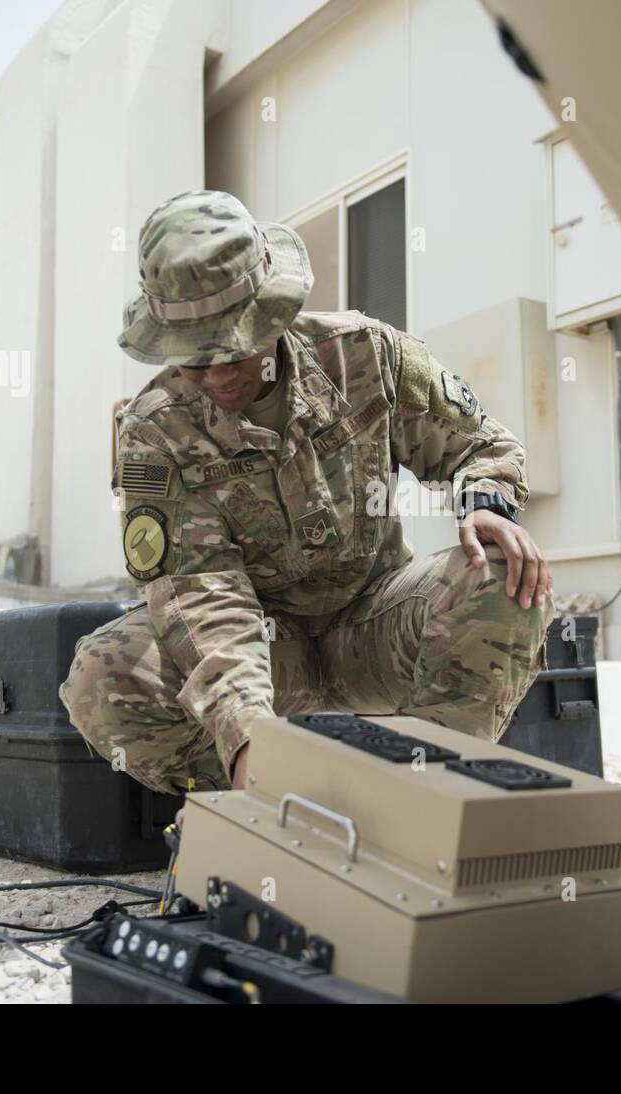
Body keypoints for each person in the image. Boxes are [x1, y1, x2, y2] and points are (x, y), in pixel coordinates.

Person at [59, 190, 554, 794]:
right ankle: (273, 801)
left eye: (234, 350)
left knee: (504, 571)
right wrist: (245, 738)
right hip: (266, 649)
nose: (217, 376)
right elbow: (202, 595)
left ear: (271, 313)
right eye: (194, 359)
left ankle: (425, 798)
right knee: (103, 678)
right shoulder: (156, 431)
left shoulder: (365, 357)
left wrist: (486, 504)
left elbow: (480, 444)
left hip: (376, 626)